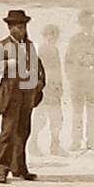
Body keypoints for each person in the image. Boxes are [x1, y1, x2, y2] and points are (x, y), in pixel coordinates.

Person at [0, 9, 45, 183]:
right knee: (8, 133)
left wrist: (40, 83)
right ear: (10, 28)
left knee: (23, 132)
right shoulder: (2, 46)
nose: (22, 30)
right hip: (10, 96)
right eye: (18, 26)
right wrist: (7, 64)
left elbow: (39, 68)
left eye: (24, 26)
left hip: (27, 96)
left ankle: (19, 168)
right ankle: (1, 169)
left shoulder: (29, 46)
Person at [64, 10, 94, 151]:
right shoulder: (75, 40)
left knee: (92, 111)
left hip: (93, 80)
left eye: (89, 23)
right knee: (77, 111)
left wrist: (90, 60)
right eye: (84, 23)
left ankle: (91, 140)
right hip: (78, 80)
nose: (86, 26)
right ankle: (76, 140)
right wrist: (71, 76)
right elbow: (68, 59)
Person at [33, 22, 65, 156]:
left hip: (54, 88)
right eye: (48, 35)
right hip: (45, 88)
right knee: (40, 119)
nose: (51, 38)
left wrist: (60, 85)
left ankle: (55, 144)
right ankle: (33, 144)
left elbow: (58, 69)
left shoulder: (55, 50)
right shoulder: (42, 50)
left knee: (56, 118)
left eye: (54, 35)